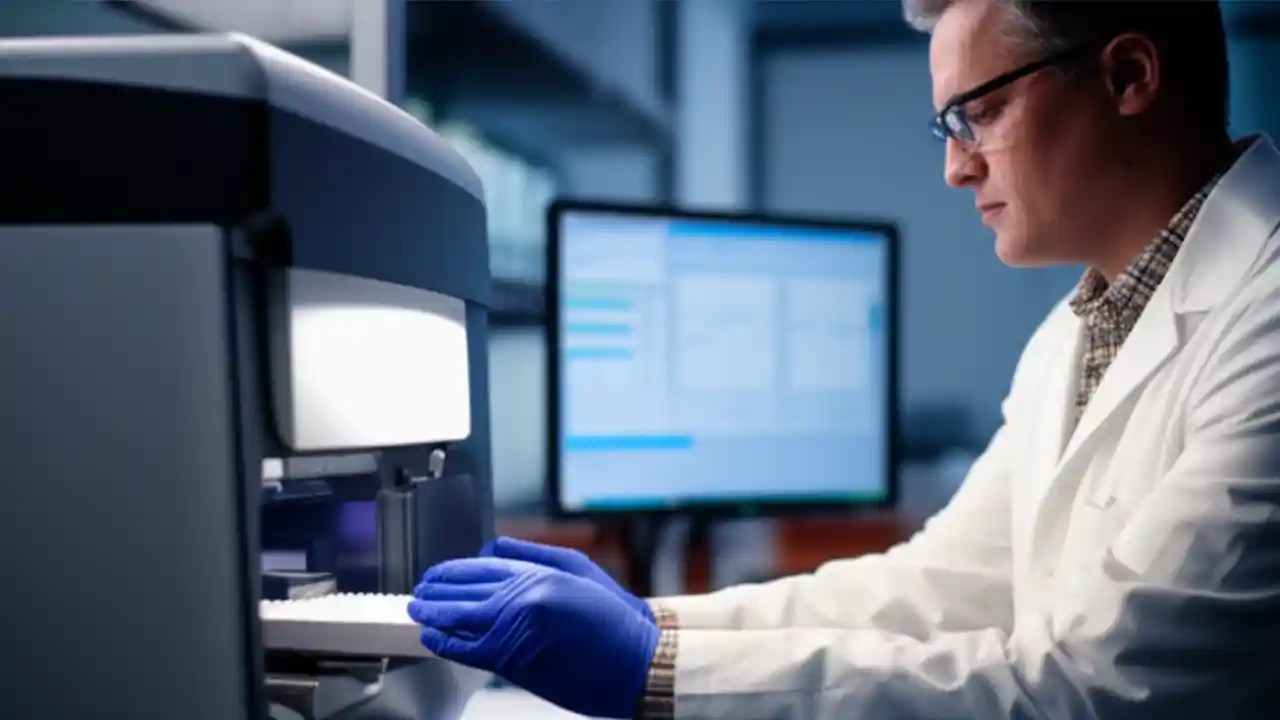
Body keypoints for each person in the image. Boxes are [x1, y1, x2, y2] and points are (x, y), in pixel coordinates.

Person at [407, 1, 1280, 717]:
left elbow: (1099, 689)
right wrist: (653, 624)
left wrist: (651, 669)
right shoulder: (1080, 326)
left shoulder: (1266, 316)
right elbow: (941, 588)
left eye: (978, 113)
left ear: (1129, 76)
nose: (954, 167)